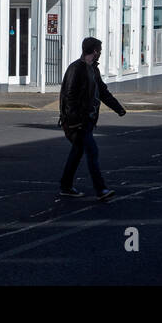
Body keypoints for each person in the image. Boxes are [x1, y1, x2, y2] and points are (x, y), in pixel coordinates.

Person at [59, 36, 127, 200]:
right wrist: (75, 121)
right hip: (79, 122)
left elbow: (102, 92)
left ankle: (66, 186)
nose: (101, 53)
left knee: (77, 153)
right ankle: (100, 189)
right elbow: (69, 97)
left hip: (87, 120)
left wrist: (118, 108)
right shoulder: (76, 68)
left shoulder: (93, 69)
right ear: (95, 51)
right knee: (92, 152)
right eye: (100, 50)